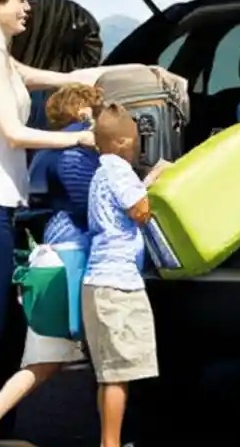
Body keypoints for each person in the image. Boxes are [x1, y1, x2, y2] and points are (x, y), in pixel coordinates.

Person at [0, 0, 137, 445]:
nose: (28, 7)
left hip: (2, 205)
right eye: (21, 0)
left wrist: (115, 77)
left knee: (8, 324)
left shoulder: (2, 59)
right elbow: (13, 132)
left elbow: (63, 78)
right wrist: (84, 140)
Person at [0, 84, 105, 447]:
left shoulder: (50, 152)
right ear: (82, 112)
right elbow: (94, 204)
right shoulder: (74, 150)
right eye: (96, 110)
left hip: (53, 255)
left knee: (47, 358)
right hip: (72, 260)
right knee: (105, 355)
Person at [82, 103, 173, 447]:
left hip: (100, 283)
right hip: (118, 286)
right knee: (120, 374)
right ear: (122, 143)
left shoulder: (102, 171)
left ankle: (109, 441)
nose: (137, 145)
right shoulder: (119, 170)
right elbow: (140, 210)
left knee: (108, 376)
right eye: (135, 139)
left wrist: (149, 179)